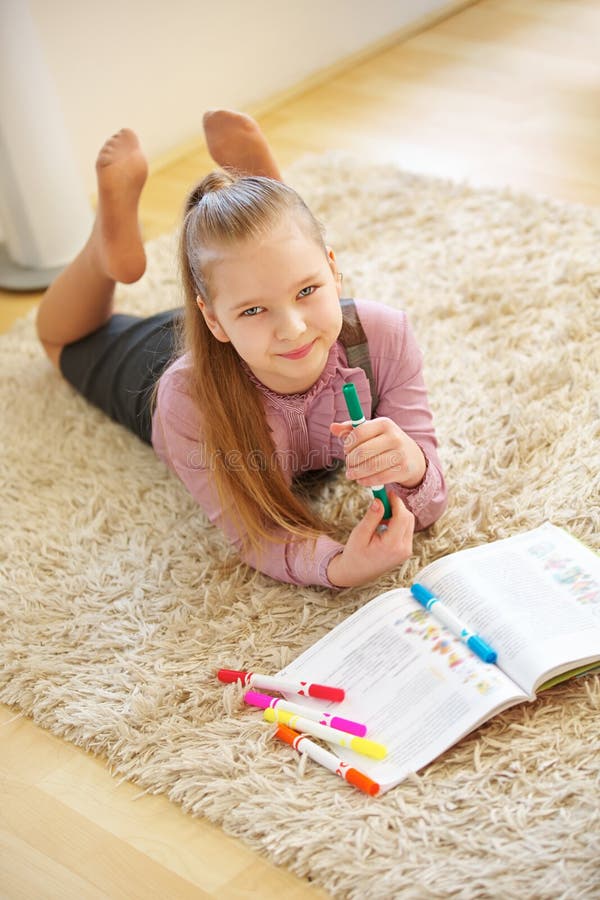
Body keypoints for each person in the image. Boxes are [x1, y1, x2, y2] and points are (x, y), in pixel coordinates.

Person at [36, 110, 447, 589]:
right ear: (211, 319)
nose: (293, 330)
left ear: (333, 270)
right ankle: (103, 253)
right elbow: (257, 532)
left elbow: (431, 496)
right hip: (168, 365)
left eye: (307, 289)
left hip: (238, 320)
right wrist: (338, 567)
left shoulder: (384, 335)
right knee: (61, 336)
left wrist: (413, 465)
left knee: (258, 276)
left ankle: (258, 205)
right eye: (256, 310)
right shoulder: (186, 400)